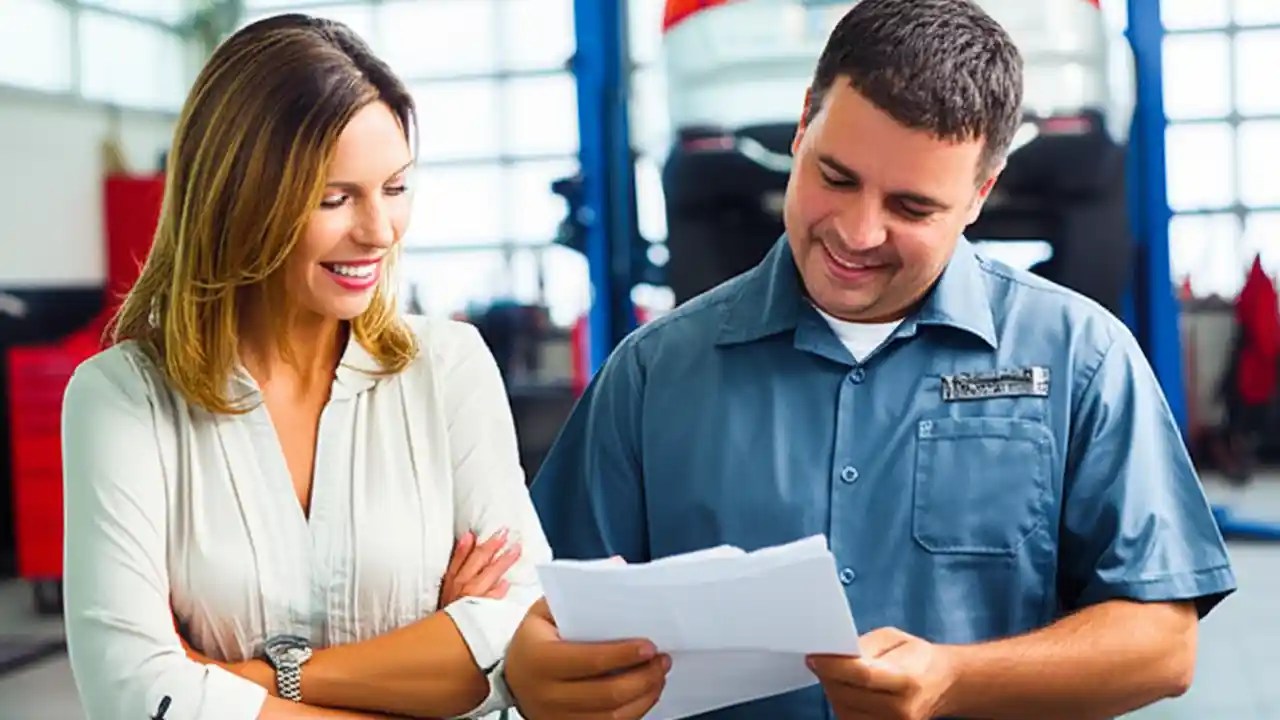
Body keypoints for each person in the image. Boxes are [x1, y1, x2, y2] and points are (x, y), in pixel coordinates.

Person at [503, 1, 1237, 718]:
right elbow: (542, 611)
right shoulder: (650, 375)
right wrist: (531, 669)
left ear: (980, 192)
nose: (857, 233)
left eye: (912, 208)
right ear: (801, 129)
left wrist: (957, 678)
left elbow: (1160, 646)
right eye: (837, 177)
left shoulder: (1082, 358)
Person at [60, 14, 550, 720]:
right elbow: (133, 691)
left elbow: (519, 634)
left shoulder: (448, 368)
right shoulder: (121, 399)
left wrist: (247, 678)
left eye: (395, 188)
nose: (379, 231)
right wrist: (430, 656)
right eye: (334, 198)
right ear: (239, 196)